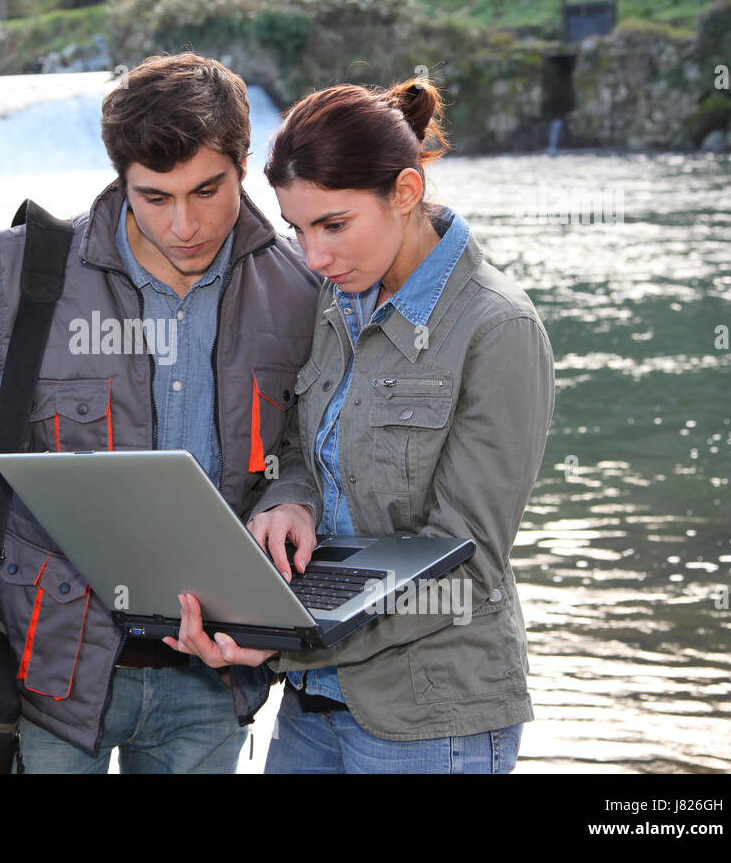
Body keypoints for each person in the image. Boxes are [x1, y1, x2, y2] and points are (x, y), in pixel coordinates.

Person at [0, 52, 322, 772]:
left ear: (243, 161)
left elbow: (309, 450)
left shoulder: (299, 288)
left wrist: (291, 495)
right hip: (49, 673)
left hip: (213, 680)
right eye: (155, 196)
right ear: (120, 178)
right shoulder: (36, 272)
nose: (185, 224)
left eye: (208, 190)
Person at [163, 77, 555, 774]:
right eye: (298, 229)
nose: (313, 257)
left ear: (405, 193)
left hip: (433, 722)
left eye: (333, 225)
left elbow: (465, 568)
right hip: (311, 705)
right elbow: (298, 444)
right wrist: (291, 500)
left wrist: (283, 635)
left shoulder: (500, 329)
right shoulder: (334, 297)